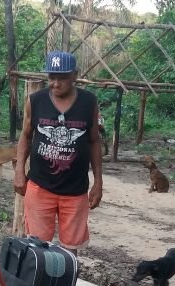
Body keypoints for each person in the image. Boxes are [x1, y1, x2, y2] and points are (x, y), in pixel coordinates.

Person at [14, 51, 104, 253]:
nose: (55, 84)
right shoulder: (35, 101)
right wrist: (19, 171)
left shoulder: (89, 102)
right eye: (51, 78)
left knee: (70, 249)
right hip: (39, 187)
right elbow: (26, 136)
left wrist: (98, 182)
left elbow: (94, 141)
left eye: (62, 78)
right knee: (36, 247)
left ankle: (64, 283)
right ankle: (38, 284)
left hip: (75, 191)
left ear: (75, 75)